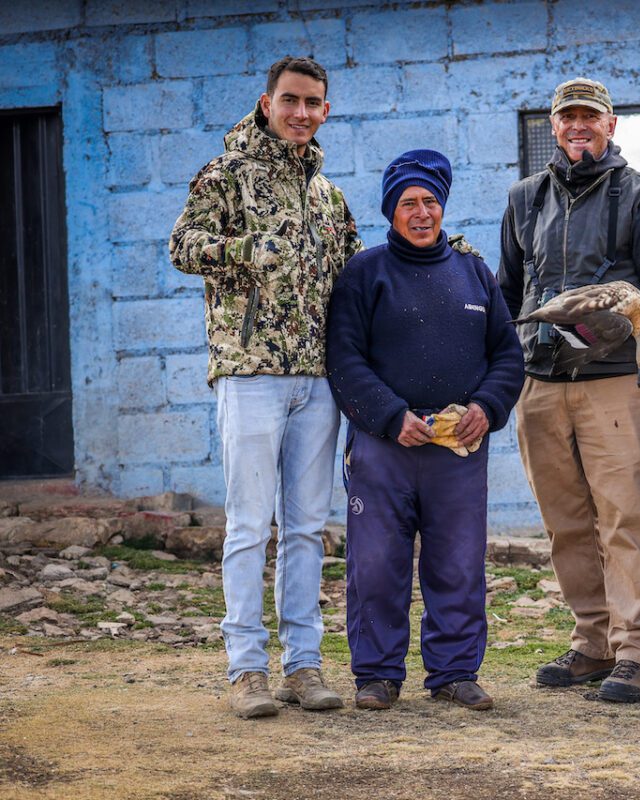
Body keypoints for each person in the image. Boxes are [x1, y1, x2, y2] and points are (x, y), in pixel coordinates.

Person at [169, 56, 360, 719]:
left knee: (307, 529)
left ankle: (302, 667)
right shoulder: (226, 176)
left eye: (313, 103)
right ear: (266, 102)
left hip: (319, 381)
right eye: (290, 100)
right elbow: (182, 245)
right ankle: (245, 670)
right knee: (250, 527)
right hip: (250, 373)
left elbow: (357, 277)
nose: (301, 112)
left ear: (325, 110)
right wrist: (249, 252)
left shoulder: (329, 196)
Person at [498, 77, 640, 703]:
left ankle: (636, 651)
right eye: (567, 116)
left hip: (613, 384)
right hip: (540, 383)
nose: (579, 126)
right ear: (553, 126)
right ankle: (591, 643)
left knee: (622, 519)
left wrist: (626, 317)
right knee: (566, 523)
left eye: (591, 117)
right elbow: (508, 291)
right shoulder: (524, 199)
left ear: (611, 124)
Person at [325, 149, 523, 712]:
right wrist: (391, 416)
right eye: (408, 203)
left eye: (430, 201)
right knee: (376, 564)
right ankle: (377, 674)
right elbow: (344, 357)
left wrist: (487, 406)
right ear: (390, 211)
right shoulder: (365, 273)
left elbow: (507, 355)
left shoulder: (473, 271)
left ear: (443, 207)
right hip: (383, 446)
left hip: (458, 449)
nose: (421, 213)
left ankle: (456, 672)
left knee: (458, 563)